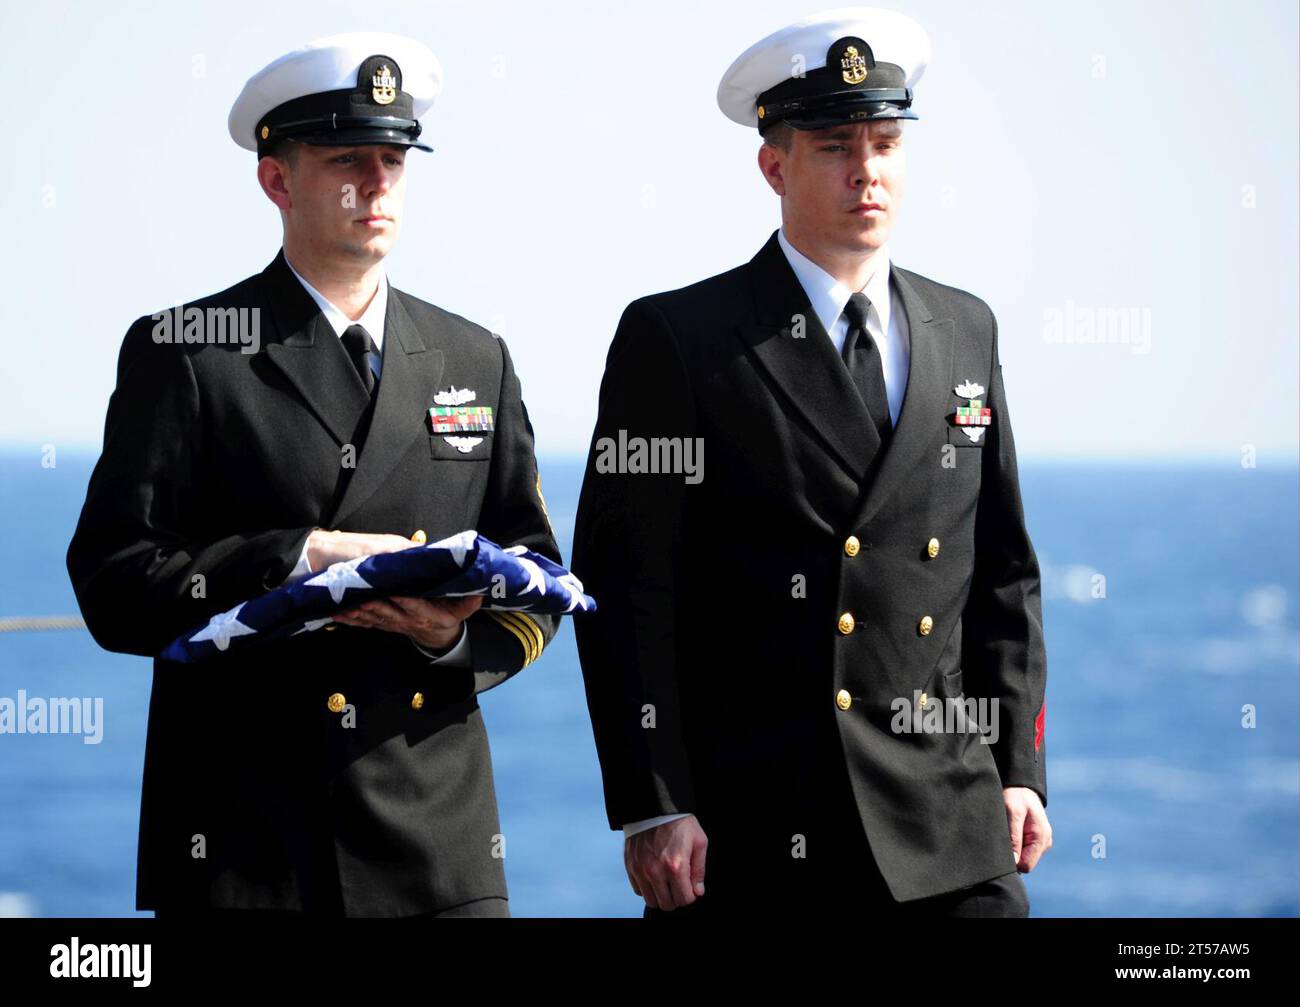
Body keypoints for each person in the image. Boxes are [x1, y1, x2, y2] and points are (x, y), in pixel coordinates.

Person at [572, 7, 1052, 917]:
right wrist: (654, 799)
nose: (866, 168)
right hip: (758, 830)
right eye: (834, 144)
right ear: (774, 164)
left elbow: (1002, 570)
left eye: (884, 140)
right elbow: (630, 589)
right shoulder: (680, 338)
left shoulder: (964, 328)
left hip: (949, 825)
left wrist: (1020, 769)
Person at [66, 32, 558, 917]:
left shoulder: (475, 357)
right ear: (277, 180)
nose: (375, 184)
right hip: (251, 853)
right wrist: (299, 558)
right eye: (346, 160)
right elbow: (111, 583)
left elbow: (535, 579)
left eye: (393, 160)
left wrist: (444, 638)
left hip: (439, 853)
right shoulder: (188, 353)